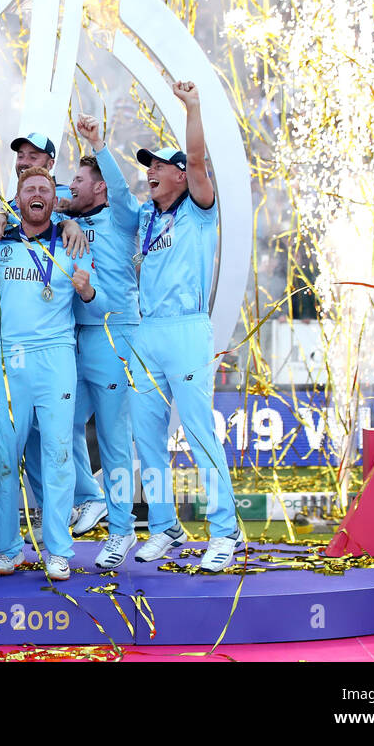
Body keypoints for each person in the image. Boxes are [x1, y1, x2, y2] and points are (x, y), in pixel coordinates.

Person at [101, 80, 243, 572]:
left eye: (160, 165)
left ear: (181, 176)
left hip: (185, 330)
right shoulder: (146, 216)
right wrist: (99, 147)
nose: (152, 171)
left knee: (200, 432)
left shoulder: (200, 210)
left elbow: (199, 160)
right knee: (147, 438)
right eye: (150, 166)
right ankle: (163, 527)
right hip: (146, 332)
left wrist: (193, 106)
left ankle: (225, 532)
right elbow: (117, 198)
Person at [0, 167, 106, 581]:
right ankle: (6, 549)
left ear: (54, 201)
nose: (36, 194)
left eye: (44, 189)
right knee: (4, 457)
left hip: (56, 357)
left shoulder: (72, 241)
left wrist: (87, 291)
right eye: (28, 189)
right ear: (17, 199)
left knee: (57, 455)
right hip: (7, 357)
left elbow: (96, 304)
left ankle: (58, 550)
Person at [67, 115, 144, 568]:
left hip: (116, 336)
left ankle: (120, 531)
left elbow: (117, 188)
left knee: (115, 438)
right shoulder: (66, 220)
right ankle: (89, 496)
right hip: (71, 338)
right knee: (53, 427)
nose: (70, 186)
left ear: (99, 187)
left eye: (78, 180)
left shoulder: (120, 215)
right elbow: (25, 203)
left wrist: (99, 145)